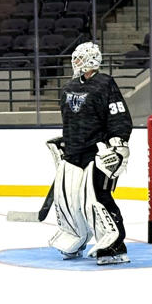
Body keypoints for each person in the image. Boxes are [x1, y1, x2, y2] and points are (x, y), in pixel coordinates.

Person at [47, 41, 133, 265]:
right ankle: (74, 238)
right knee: (67, 200)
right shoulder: (68, 88)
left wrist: (119, 143)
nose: (75, 62)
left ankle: (114, 246)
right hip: (74, 152)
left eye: (79, 57)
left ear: (91, 59)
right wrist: (65, 142)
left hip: (97, 151)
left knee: (96, 199)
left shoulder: (104, 84)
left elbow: (118, 114)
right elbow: (70, 121)